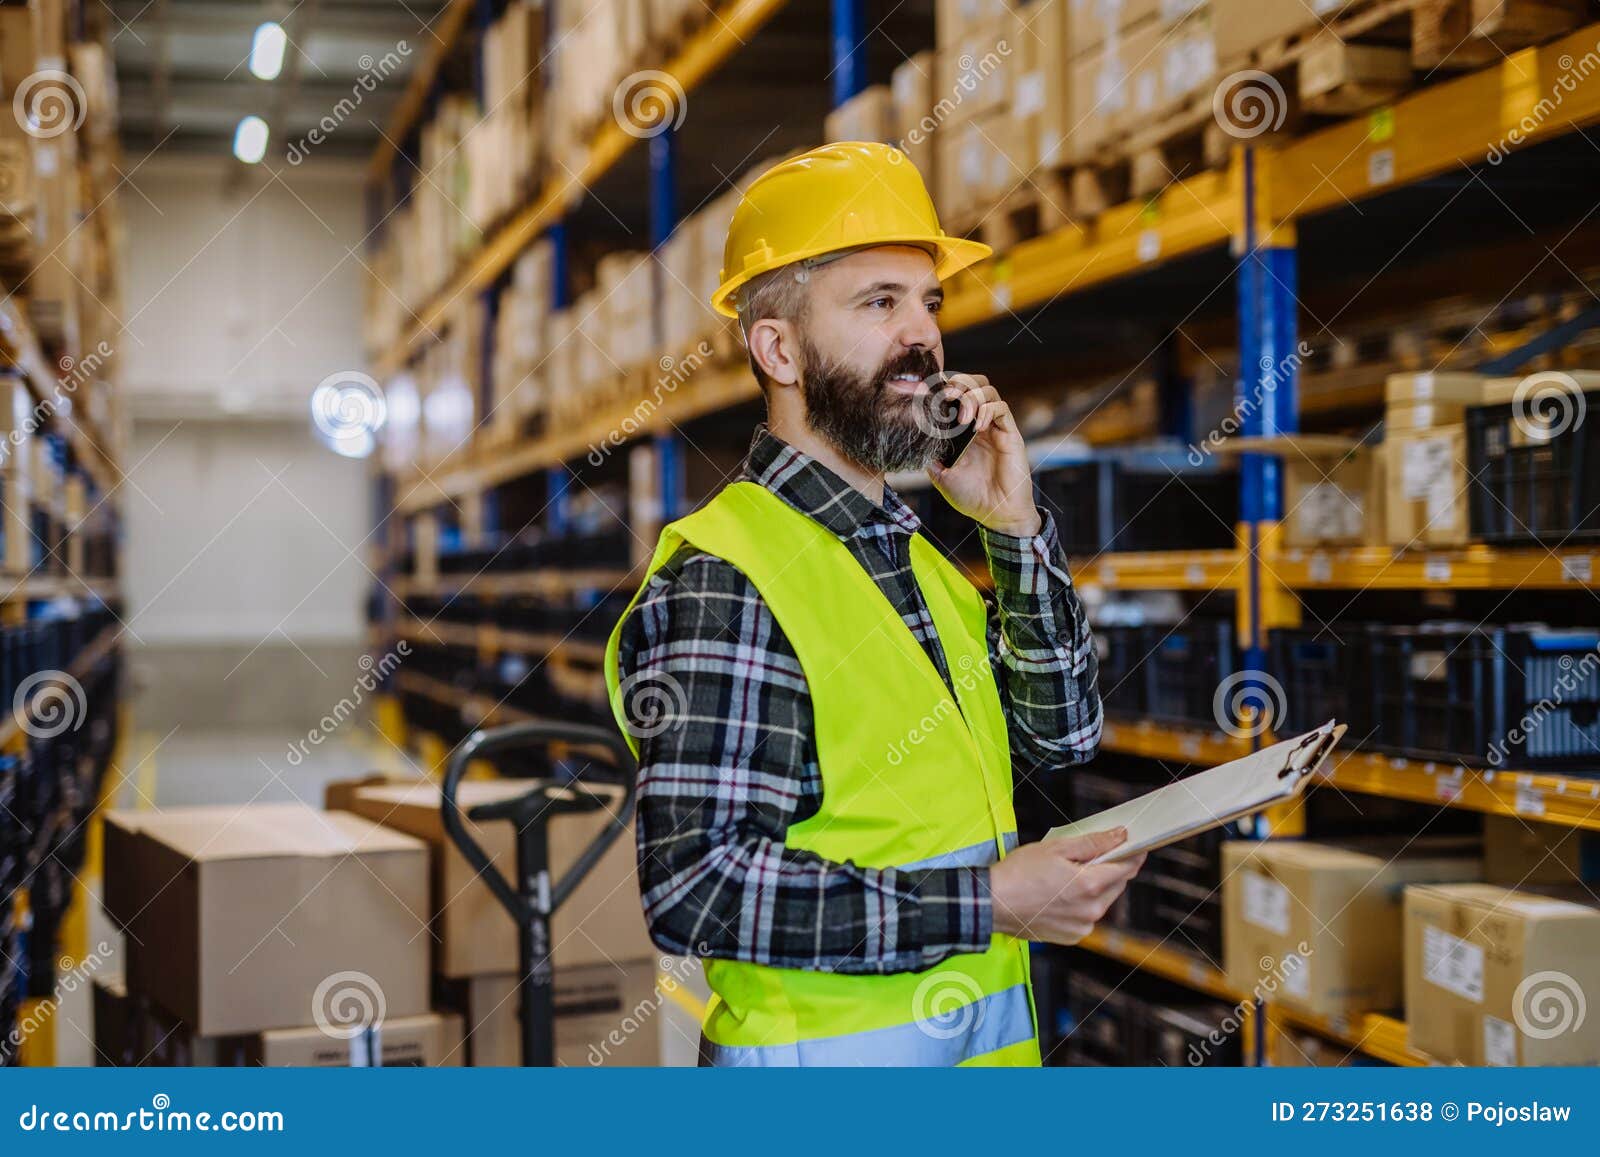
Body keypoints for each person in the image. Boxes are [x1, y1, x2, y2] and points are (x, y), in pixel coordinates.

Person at [603, 141, 1143, 1067]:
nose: (923, 336)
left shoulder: (919, 557)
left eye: (929, 302)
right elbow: (697, 887)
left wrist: (1012, 528)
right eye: (878, 303)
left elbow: (1063, 737)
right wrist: (992, 902)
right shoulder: (726, 577)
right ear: (777, 347)